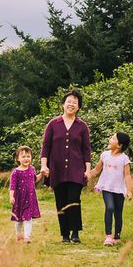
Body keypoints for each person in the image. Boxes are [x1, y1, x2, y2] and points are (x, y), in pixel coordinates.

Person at [40, 90, 92, 243]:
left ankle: (75, 233)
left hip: (76, 169)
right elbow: (46, 147)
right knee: (60, 201)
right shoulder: (53, 124)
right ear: (63, 104)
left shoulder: (82, 126)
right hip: (57, 169)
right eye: (69, 101)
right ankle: (64, 235)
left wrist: (88, 169)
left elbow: (86, 149)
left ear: (78, 107)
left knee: (74, 199)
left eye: (75, 102)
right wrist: (44, 166)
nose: (71, 104)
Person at [89, 131, 133, 245]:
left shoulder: (124, 159)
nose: (110, 140)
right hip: (106, 188)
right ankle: (108, 236)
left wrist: (129, 190)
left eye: (113, 138)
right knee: (110, 207)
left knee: (118, 212)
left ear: (119, 145)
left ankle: (117, 236)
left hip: (119, 190)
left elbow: (127, 176)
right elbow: (97, 170)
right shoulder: (105, 155)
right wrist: (87, 174)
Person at [9, 146, 44, 243]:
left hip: (30, 198)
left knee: (28, 217)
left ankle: (27, 236)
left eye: (28, 156)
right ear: (18, 159)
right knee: (19, 219)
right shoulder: (16, 172)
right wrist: (11, 196)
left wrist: (41, 174)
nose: (26, 159)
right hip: (19, 199)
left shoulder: (31, 169)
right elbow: (12, 186)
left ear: (31, 157)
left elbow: (35, 179)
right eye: (23, 156)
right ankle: (19, 236)